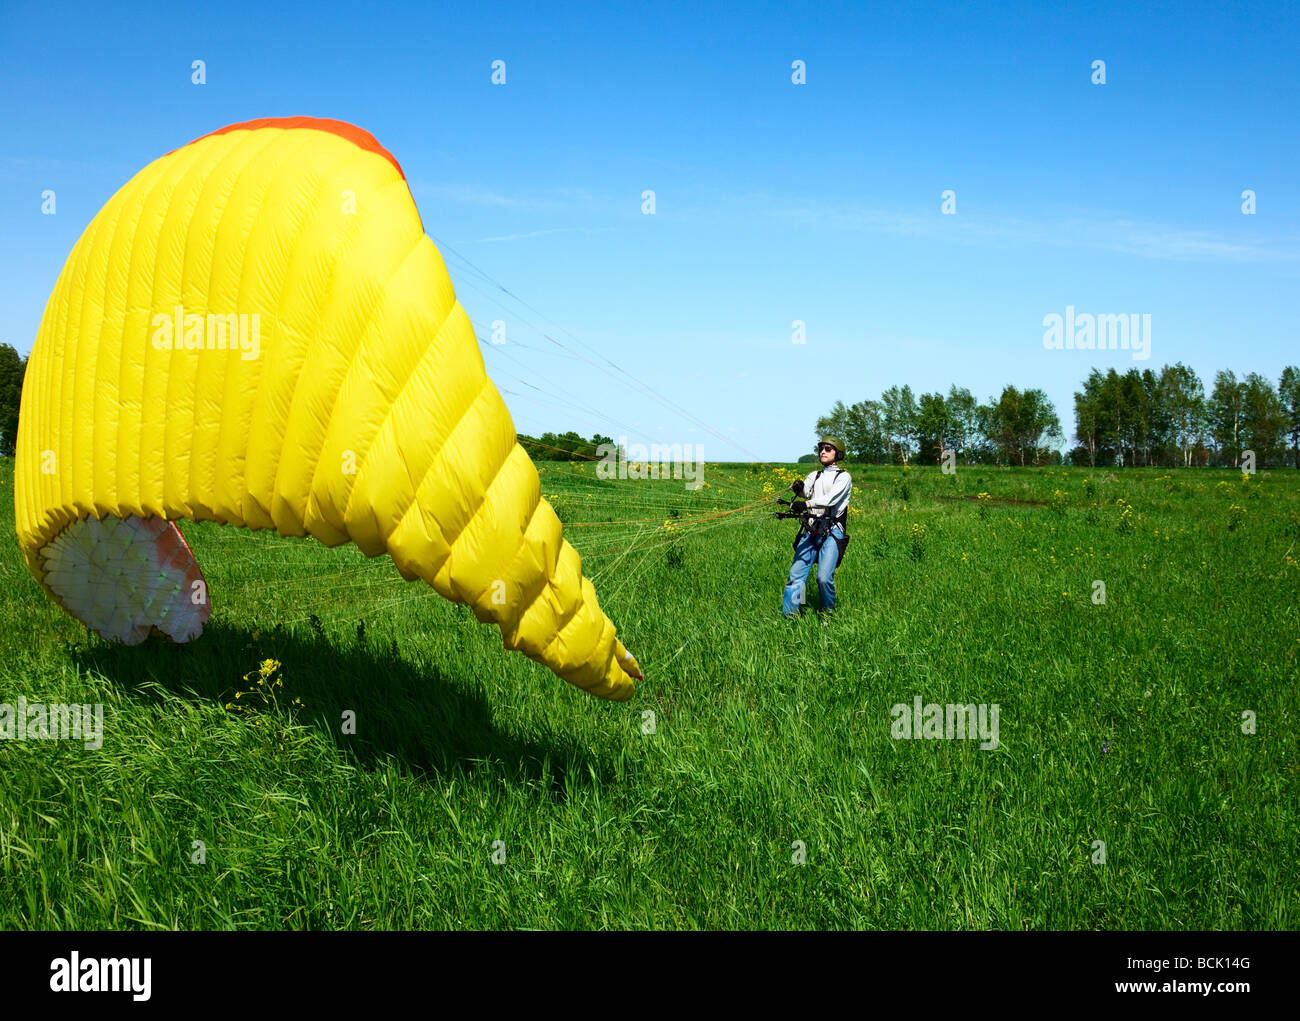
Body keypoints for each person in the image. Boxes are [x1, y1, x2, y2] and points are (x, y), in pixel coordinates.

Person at [781, 436, 851, 617]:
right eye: (821, 448)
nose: (823, 451)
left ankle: (826, 614)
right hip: (811, 528)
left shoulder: (843, 477)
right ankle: (790, 616)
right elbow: (806, 493)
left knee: (823, 578)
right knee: (795, 577)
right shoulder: (814, 475)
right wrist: (799, 488)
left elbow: (830, 500)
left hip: (832, 531)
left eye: (828, 449)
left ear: (838, 453)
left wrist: (806, 505)